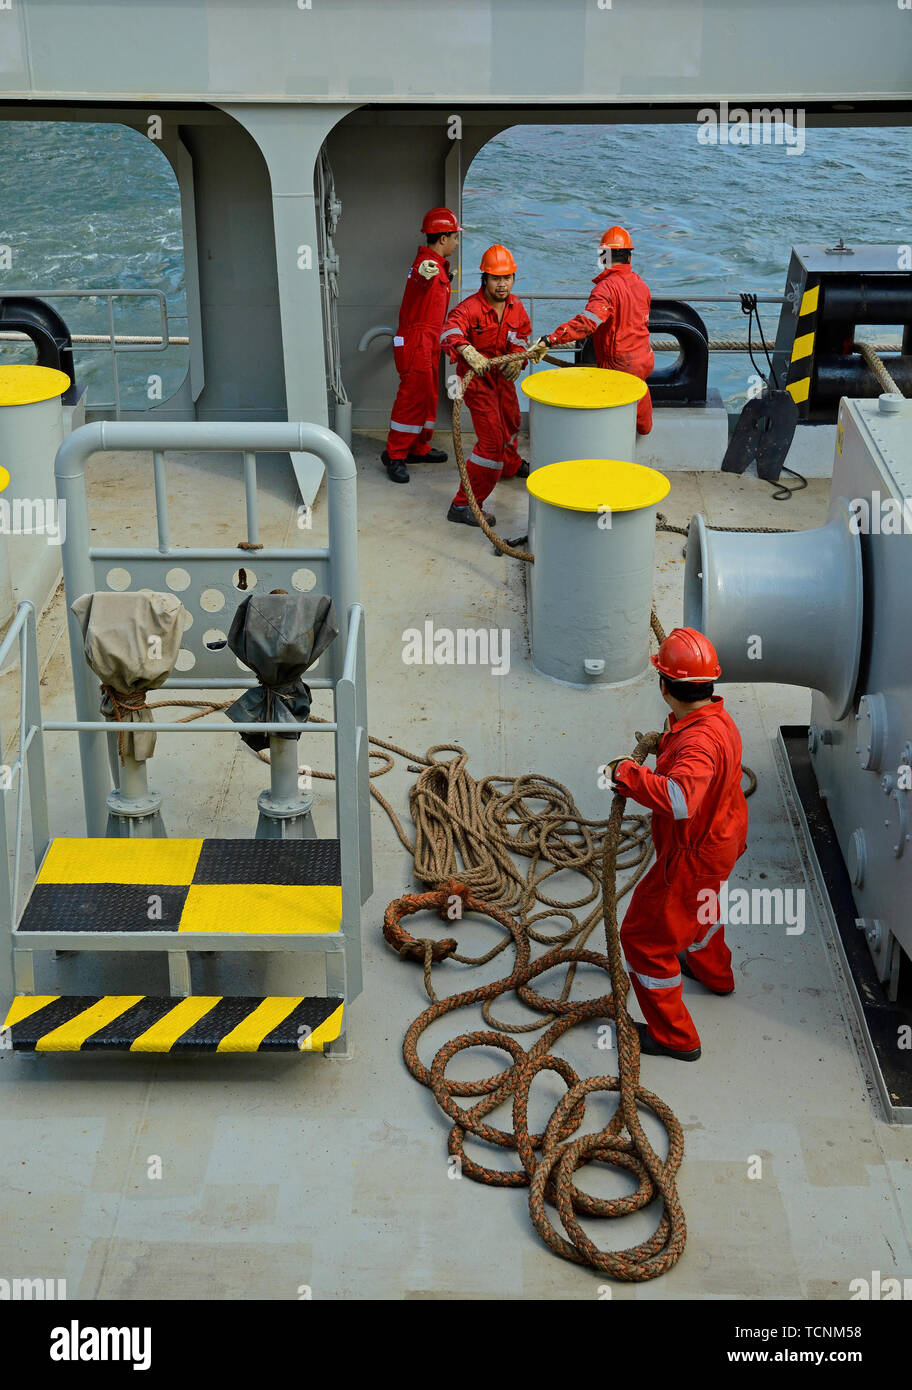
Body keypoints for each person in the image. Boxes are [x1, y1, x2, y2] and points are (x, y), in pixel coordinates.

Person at [603, 628, 749, 1061]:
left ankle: (674, 1037)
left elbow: (681, 799)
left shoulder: (697, 742)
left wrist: (627, 776)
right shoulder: (717, 721)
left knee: (644, 940)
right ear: (710, 684)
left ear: (664, 686)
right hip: (721, 840)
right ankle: (715, 974)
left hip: (690, 856)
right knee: (701, 912)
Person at [529, 225, 654, 435]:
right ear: (630, 258)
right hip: (644, 359)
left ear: (604, 257)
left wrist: (549, 340)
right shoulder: (641, 284)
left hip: (618, 365)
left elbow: (587, 324)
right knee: (642, 420)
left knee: (612, 421)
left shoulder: (606, 288)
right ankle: (642, 432)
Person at [439, 244, 532, 526]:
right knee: (491, 444)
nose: (502, 284)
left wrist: (518, 357)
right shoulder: (470, 308)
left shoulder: (516, 307)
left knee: (512, 421)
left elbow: (522, 335)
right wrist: (467, 350)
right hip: (477, 383)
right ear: (484, 279)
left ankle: (510, 466)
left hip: (502, 380)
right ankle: (462, 505)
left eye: (507, 278)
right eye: (496, 278)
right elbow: (450, 330)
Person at [382, 207, 461, 484]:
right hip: (416, 342)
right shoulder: (425, 266)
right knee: (412, 398)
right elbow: (419, 280)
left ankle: (417, 447)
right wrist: (423, 274)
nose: (456, 242)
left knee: (427, 396)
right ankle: (394, 454)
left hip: (427, 343)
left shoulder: (437, 266)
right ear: (443, 238)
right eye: (454, 237)